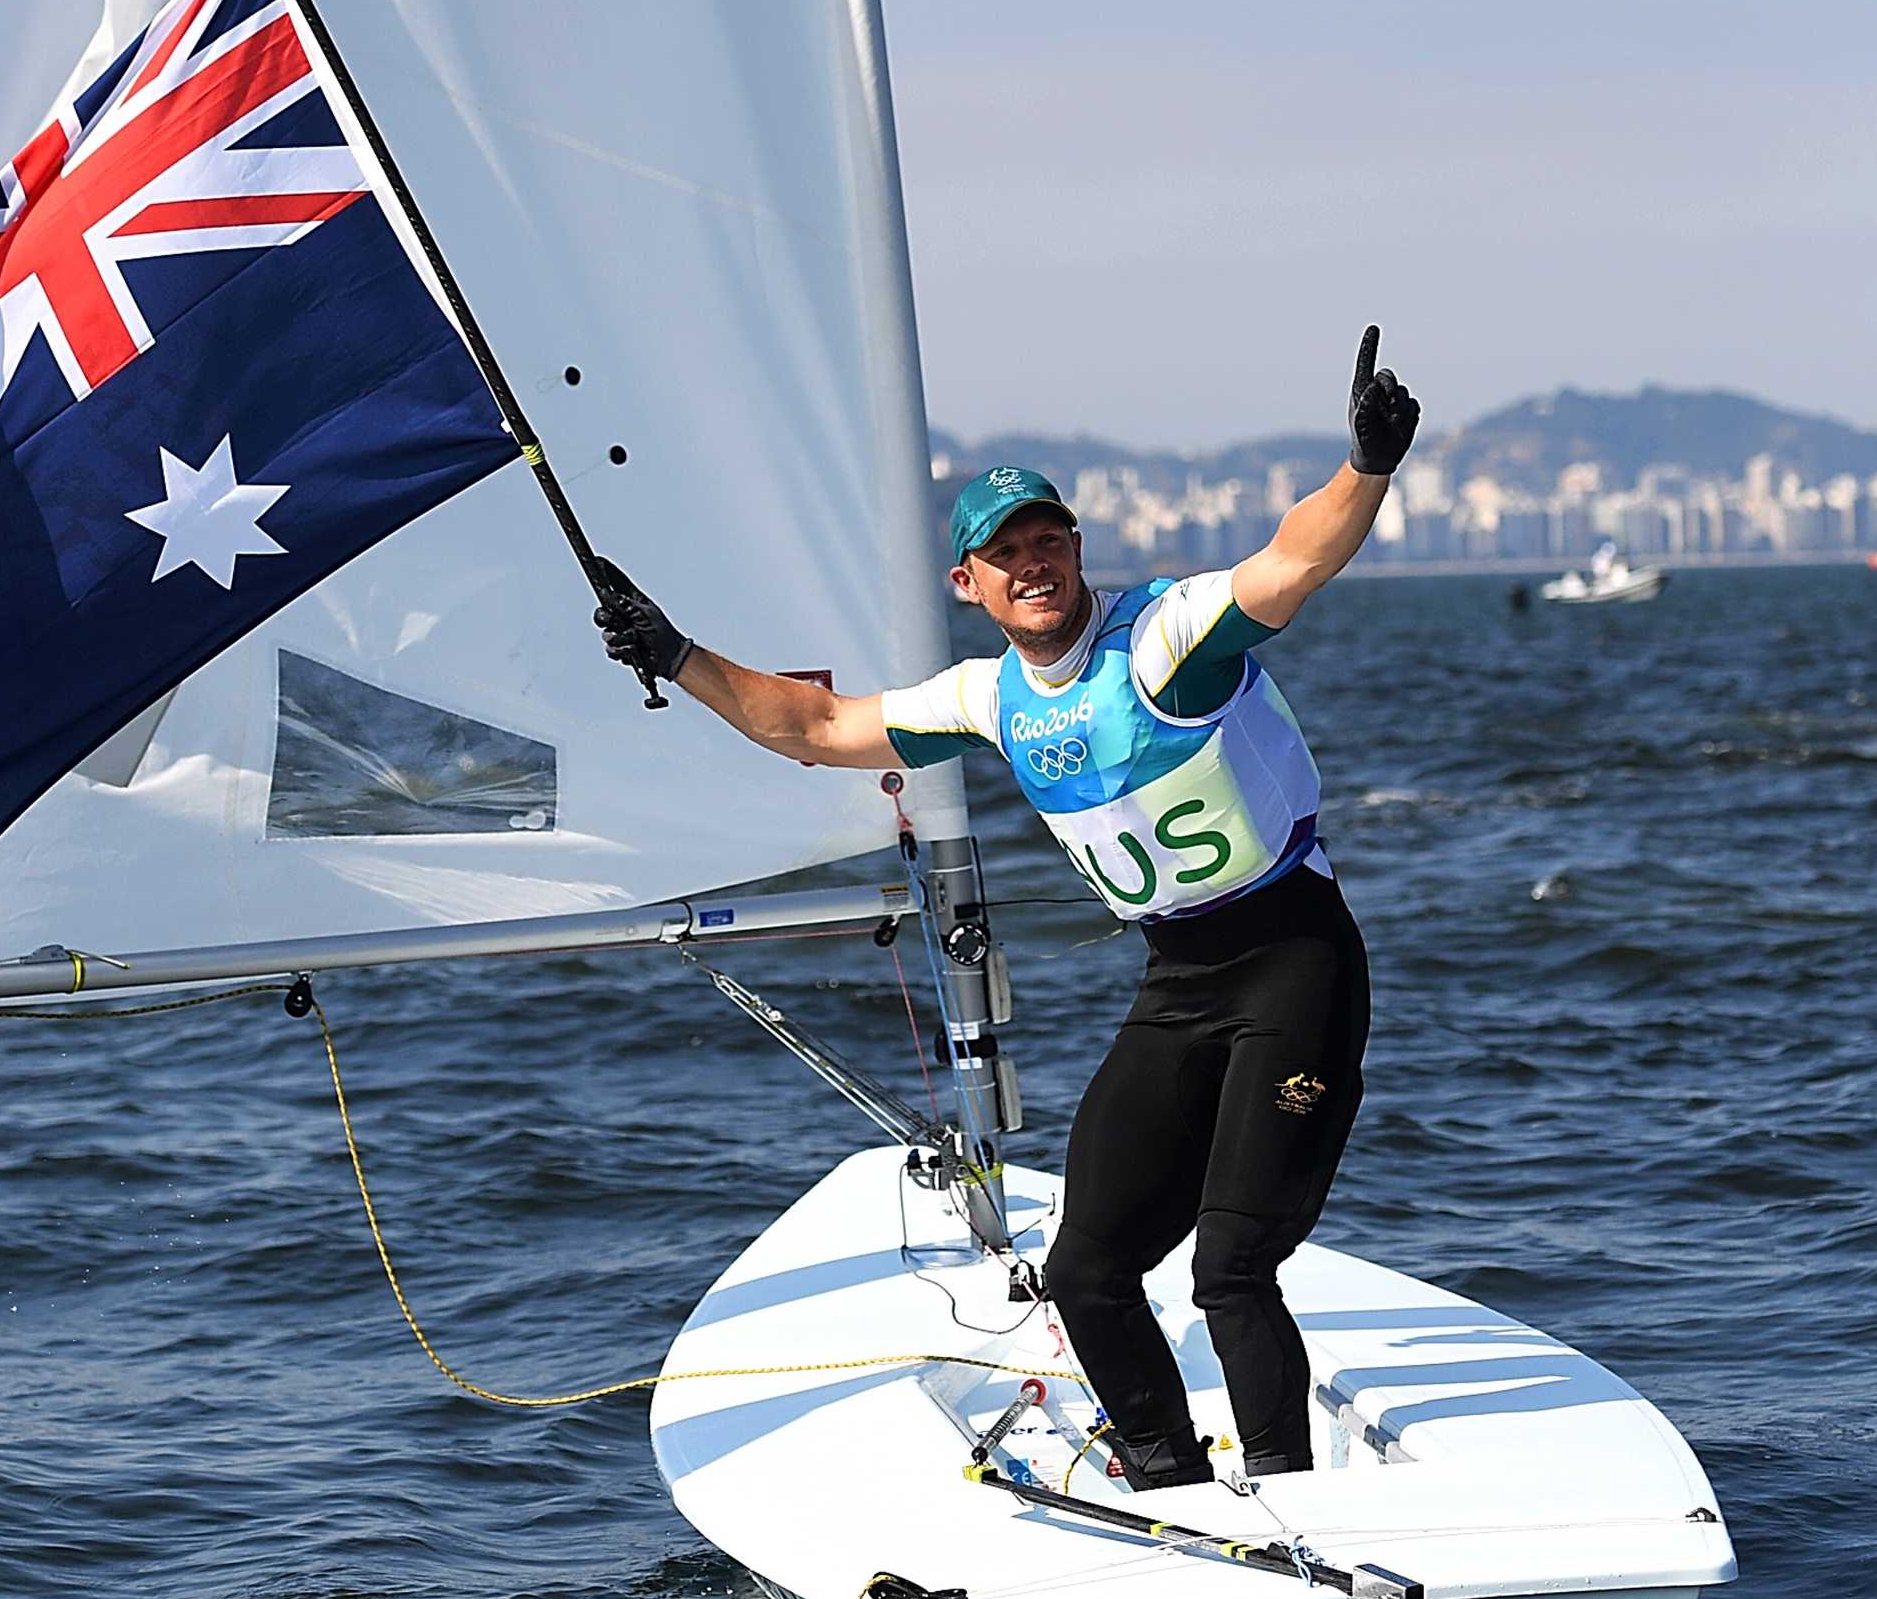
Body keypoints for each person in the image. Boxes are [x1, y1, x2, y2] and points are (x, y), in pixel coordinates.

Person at [590, 326, 1423, 1491]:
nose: (1031, 562)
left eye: (1048, 540)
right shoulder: (985, 697)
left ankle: (1293, 1496)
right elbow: (816, 726)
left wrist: (1367, 466)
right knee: (1085, 1267)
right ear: (968, 582)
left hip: (1297, 962)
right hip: (1180, 982)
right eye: (1004, 551)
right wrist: (675, 652)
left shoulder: (1162, 642)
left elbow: (1290, 564)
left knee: (1232, 1264)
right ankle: (1169, 1483)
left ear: (1077, 550)